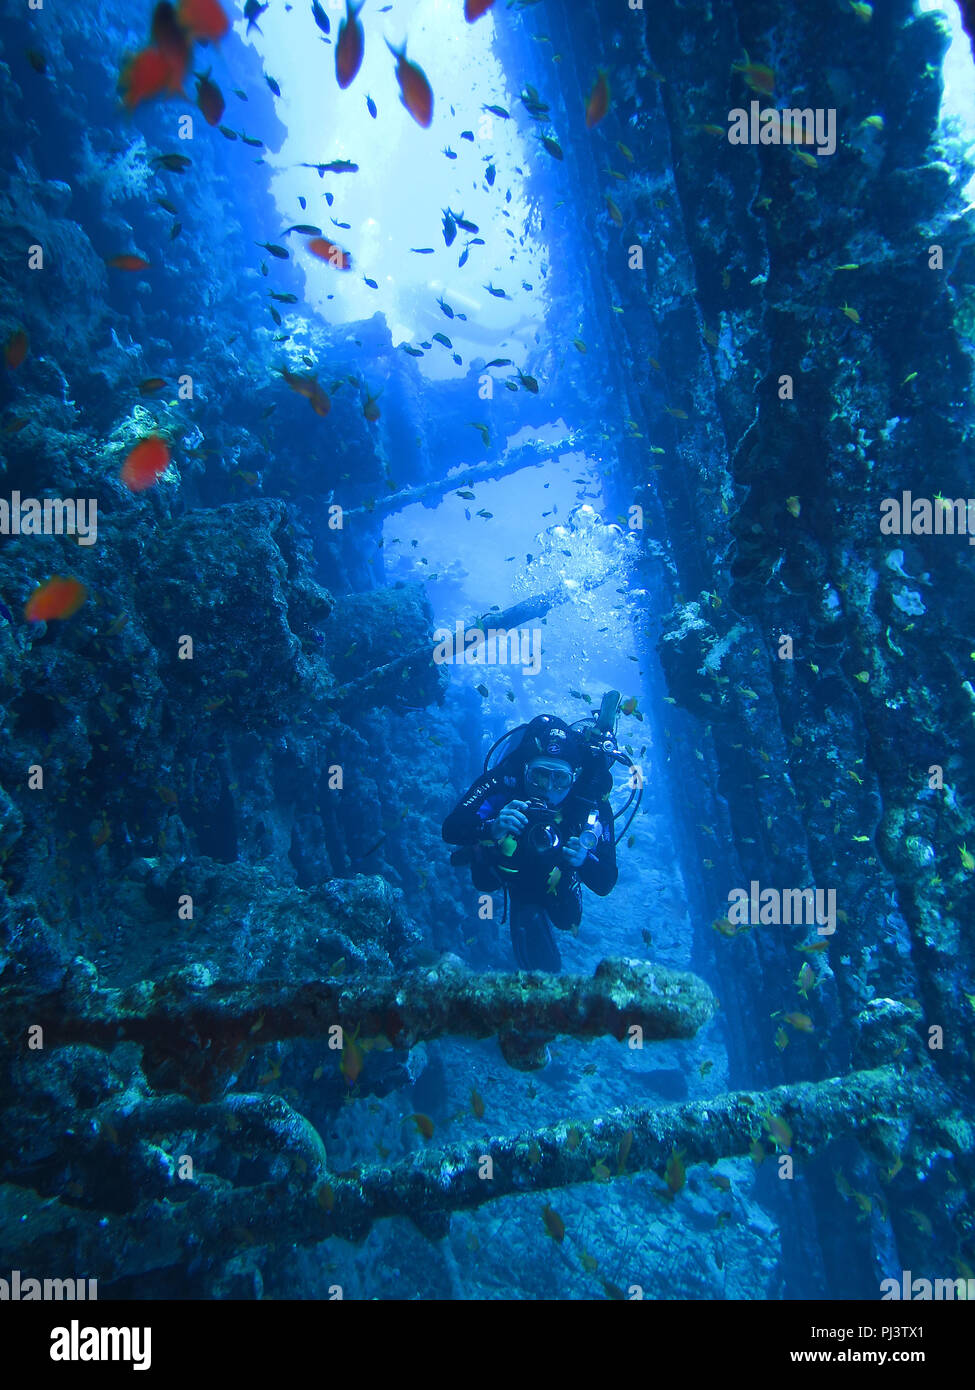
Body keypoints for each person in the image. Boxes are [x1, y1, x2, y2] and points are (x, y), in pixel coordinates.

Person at [443, 714, 618, 971]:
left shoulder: (589, 800)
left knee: (567, 917)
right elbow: (451, 829)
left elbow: (605, 881)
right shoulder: (505, 778)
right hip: (504, 861)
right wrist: (491, 827)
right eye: (539, 776)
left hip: (556, 869)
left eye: (560, 779)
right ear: (525, 769)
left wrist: (584, 859)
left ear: (576, 776)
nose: (548, 789)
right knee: (485, 882)